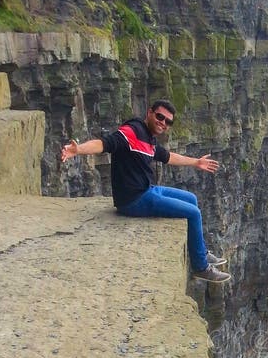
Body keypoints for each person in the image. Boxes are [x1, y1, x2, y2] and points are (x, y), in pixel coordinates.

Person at [61, 99, 230, 283]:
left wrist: (196, 162)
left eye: (168, 121)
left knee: (191, 198)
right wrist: (78, 150)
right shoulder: (131, 132)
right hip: (133, 200)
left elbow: (168, 156)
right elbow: (104, 144)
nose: (163, 123)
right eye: (160, 117)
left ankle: (201, 251)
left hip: (146, 190)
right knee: (194, 213)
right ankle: (201, 267)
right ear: (149, 113)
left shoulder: (148, 138)